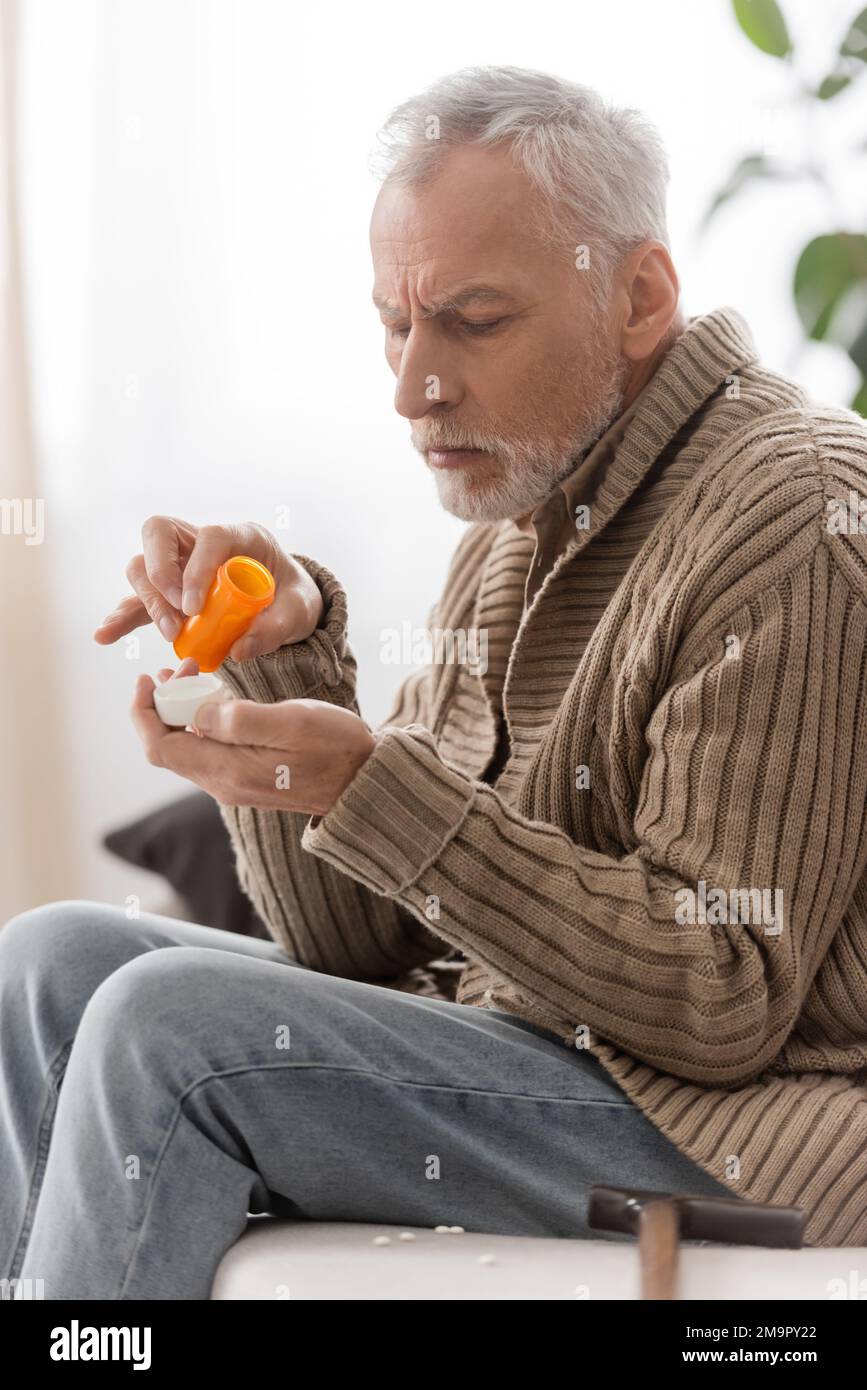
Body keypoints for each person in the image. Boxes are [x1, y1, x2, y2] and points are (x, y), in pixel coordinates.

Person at [4, 66, 867, 1302]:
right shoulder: (520, 518)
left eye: (471, 321)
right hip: (549, 1062)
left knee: (168, 1030)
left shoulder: (795, 521)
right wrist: (280, 655)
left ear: (639, 295)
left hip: (745, 1128)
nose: (412, 388)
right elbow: (360, 947)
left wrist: (378, 782)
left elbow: (720, 996)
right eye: (394, 326)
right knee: (50, 963)